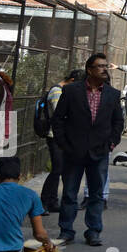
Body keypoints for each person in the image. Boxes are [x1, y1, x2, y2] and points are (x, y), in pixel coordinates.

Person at [49, 53, 123, 247]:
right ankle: (66, 231)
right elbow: (58, 120)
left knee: (97, 194)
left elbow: (118, 121)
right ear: (89, 70)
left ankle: (94, 231)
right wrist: (64, 144)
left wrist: (112, 143)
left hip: (99, 151)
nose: (105, 69)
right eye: (100, 66)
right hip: (74, 151)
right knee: (70, 193)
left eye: (106, 66)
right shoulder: (72, 91)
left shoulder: (113, 94)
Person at [40, 70, 79, 213]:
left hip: (59, 136)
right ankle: (44, 202)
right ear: (72, 80)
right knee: (56, 170)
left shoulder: (62, 91)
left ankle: (52, 201)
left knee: (59, 169)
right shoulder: (57, 92)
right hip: (54, 136)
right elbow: (60, 114)